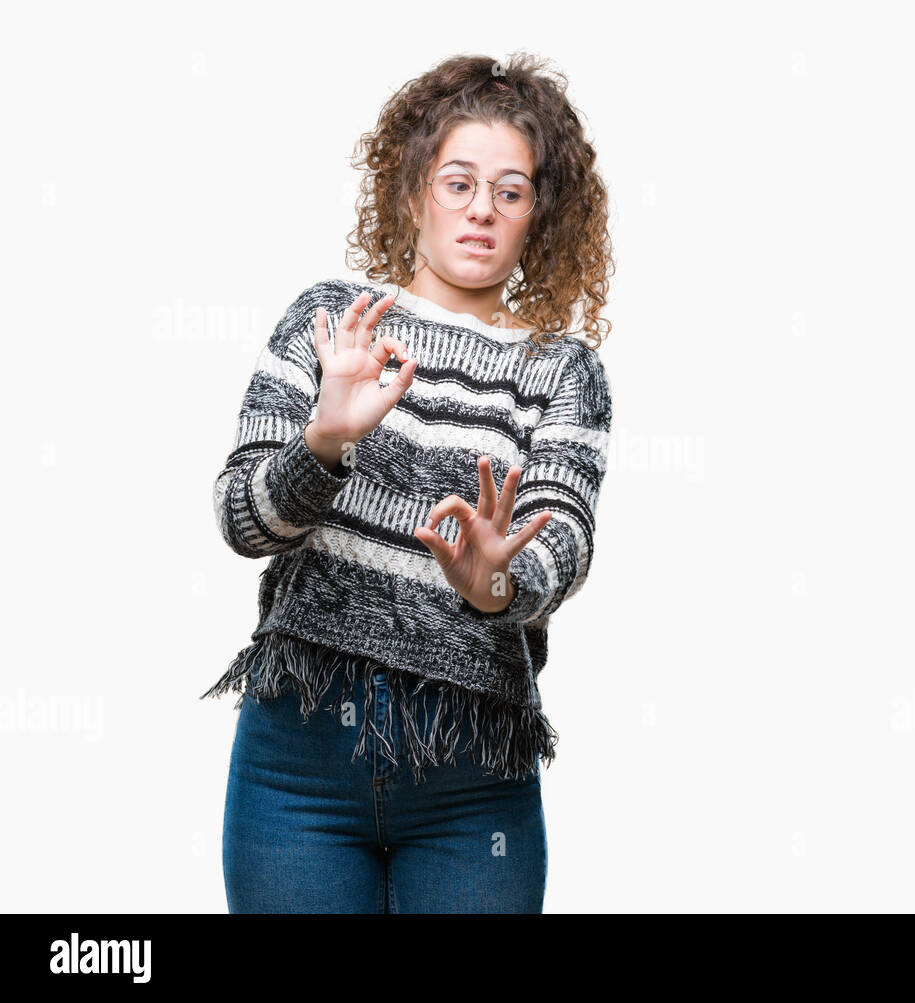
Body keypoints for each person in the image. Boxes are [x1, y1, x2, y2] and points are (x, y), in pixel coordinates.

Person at [202, 51, 614, 914]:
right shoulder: (335, 325)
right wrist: (321, 443)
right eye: (458, 181)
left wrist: (495, 580)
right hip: (298, 768)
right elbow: (243, 520)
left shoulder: (564, 372)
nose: (481, 210)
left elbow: (561, 541)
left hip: (472, 783)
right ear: (414, 188)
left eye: (512, 190)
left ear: (542, 214)